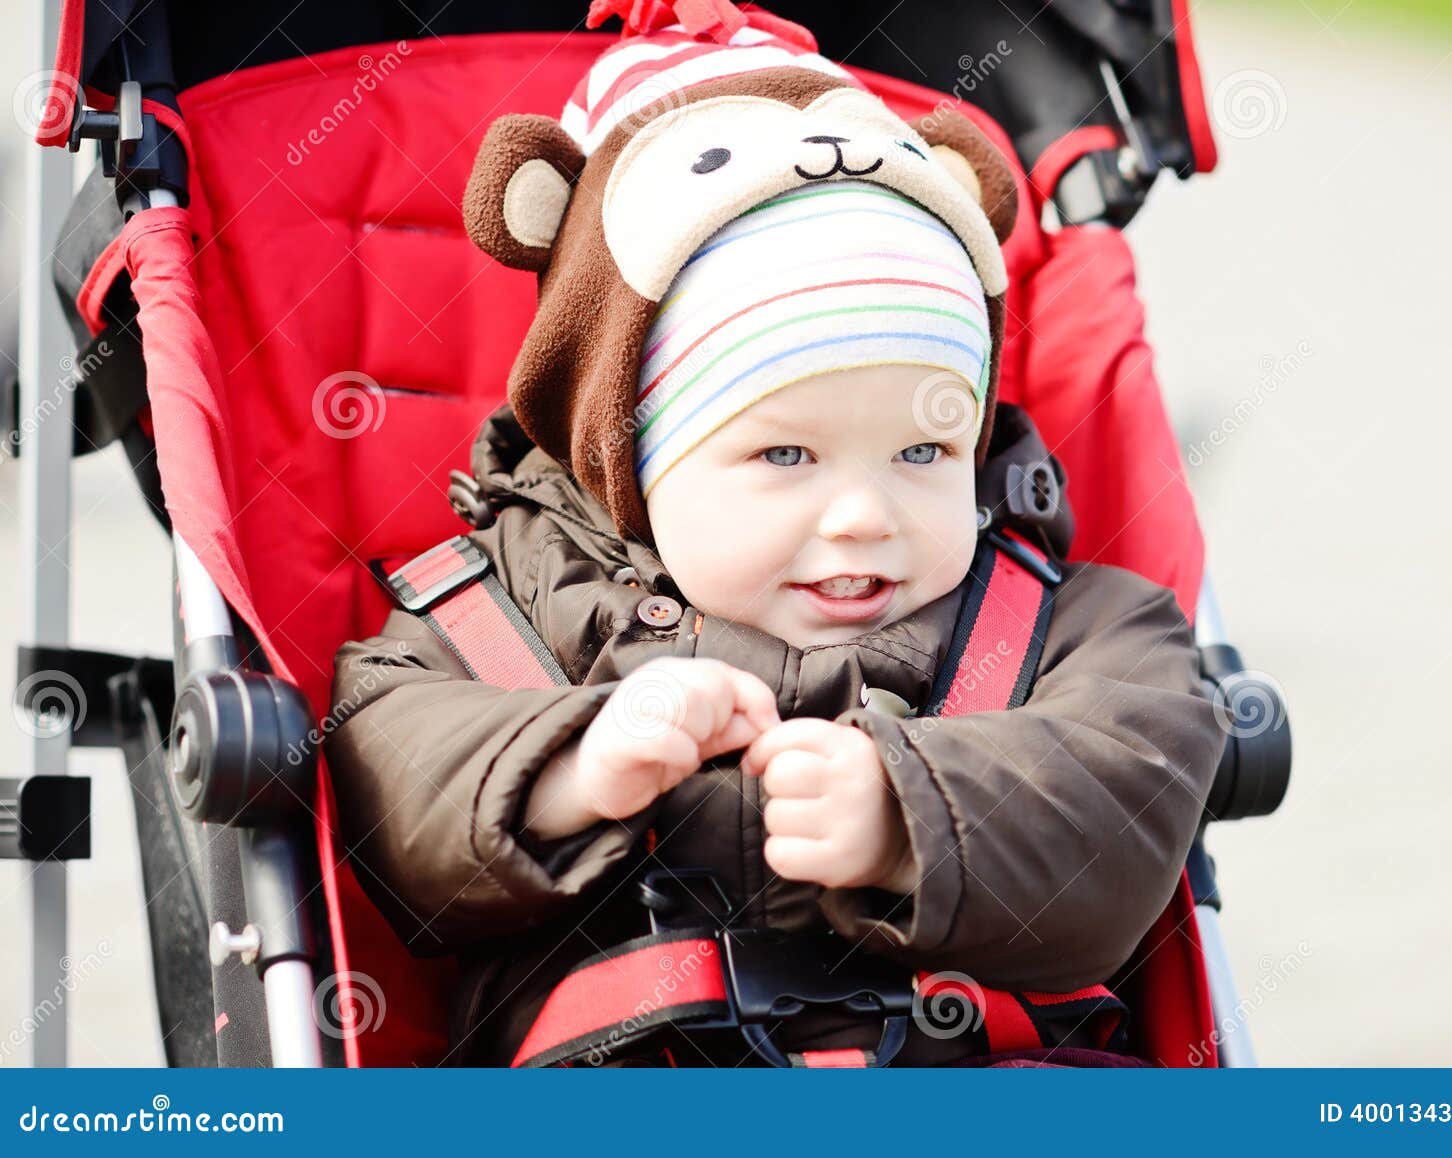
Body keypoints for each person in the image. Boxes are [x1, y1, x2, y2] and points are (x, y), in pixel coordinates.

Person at [326, 1, 1225, 1067]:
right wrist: (574, 768)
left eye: (924, 452)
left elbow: (1132, 774)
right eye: (785, 458)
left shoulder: (1060, 624)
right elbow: (387, 754)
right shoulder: (506, 605)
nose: (863, 516)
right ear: (631, 459)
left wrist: (910, 816)